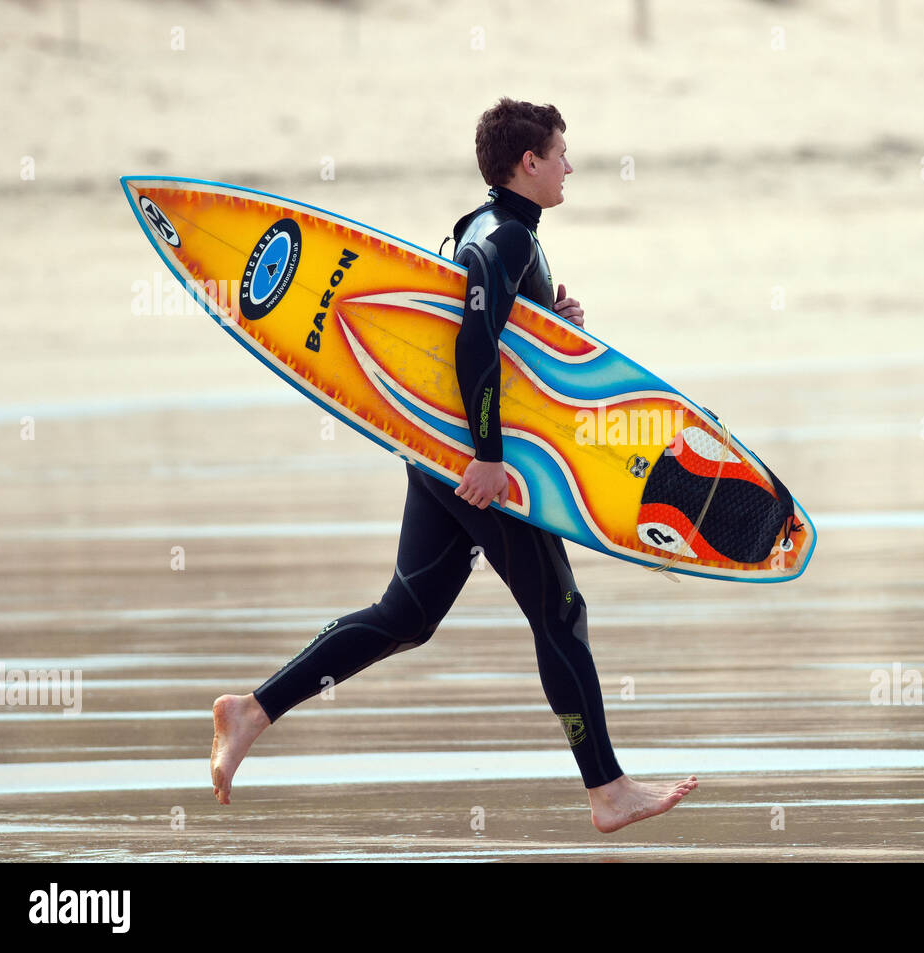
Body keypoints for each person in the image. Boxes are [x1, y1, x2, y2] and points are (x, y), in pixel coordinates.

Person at [210, 97, 698, 833]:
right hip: (473, 457)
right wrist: (490, 458)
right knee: (560, 612)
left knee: (407, 615)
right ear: (527, 163)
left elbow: (480, 334)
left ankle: (250, 710)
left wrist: (547, 331)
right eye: (561, 153)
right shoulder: (501, 239)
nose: (570, 165)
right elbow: (470, 344)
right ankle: (607, 789)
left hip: (438, 448)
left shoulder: (487, 227)